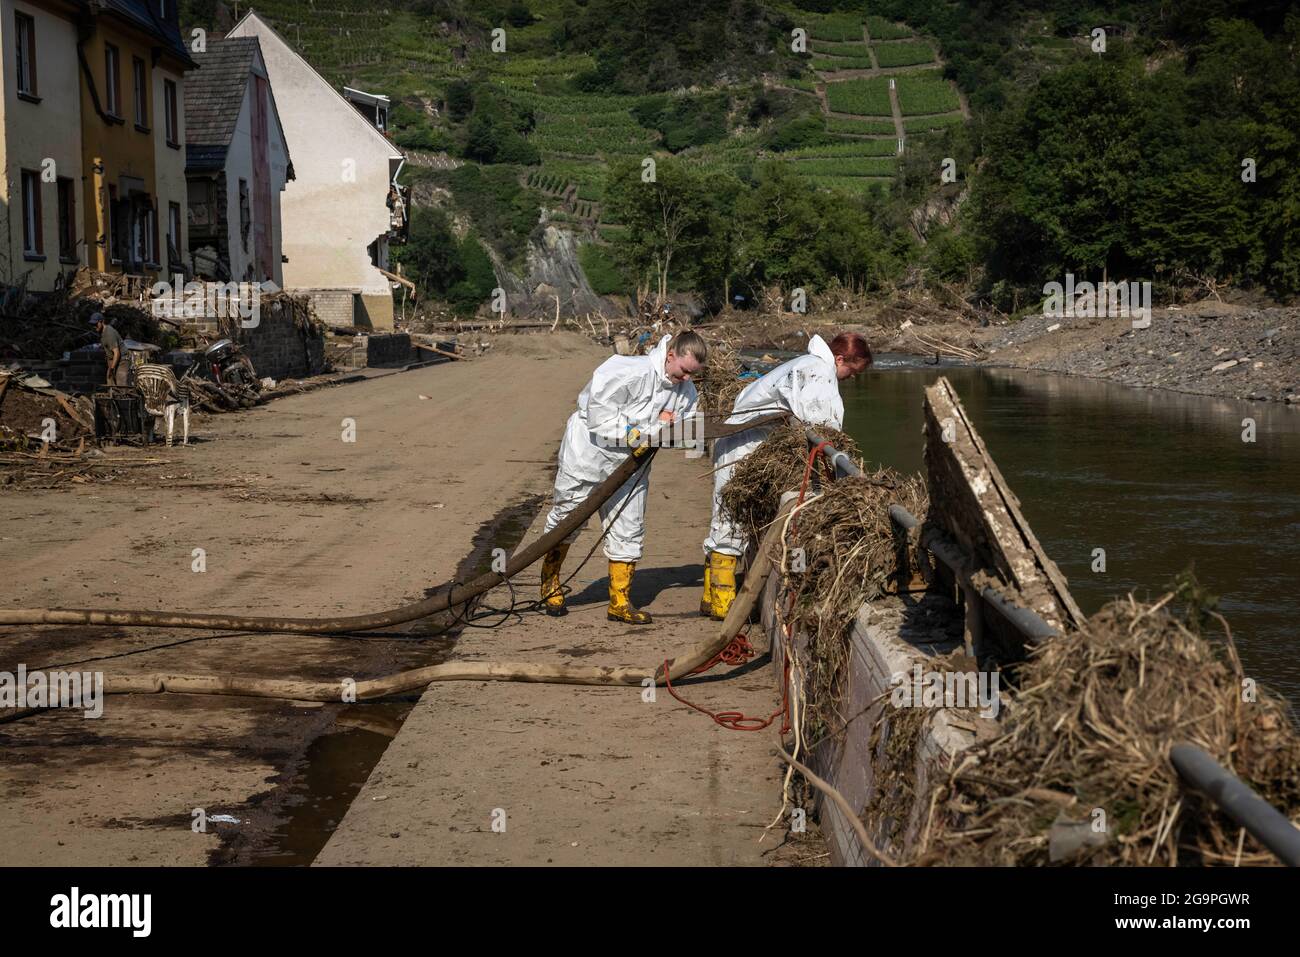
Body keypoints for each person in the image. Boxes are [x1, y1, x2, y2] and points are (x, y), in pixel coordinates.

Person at [701, 332, 872, 620]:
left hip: (742, 440)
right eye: (851, 371)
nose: (851, 378)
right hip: (742, 445)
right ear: (840, 359)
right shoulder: (817, 371)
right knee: (731, 521)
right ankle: (721, 604)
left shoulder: (805, 364)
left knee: (727, 518)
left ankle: (712, 597)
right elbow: (822, 426)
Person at [540, 330, 708, 624]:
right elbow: (598, 413)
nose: (685, 379)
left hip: (632, 465)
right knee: (569, 518)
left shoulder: (686, 391)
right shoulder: (625, 369)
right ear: (671, 356)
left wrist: (688, 440)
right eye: (683, 371)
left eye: (691, 375)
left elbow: (687, 429)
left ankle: (619, 601)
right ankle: (550, 583)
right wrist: (634, 435)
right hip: (589, 454)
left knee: (629, 526)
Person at [92, 312, 128, 386]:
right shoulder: (102, 332)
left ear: (102, 322)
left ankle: (121, 396)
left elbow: (117, 353)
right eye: (92, 325)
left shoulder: (109, 333)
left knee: (120, 384)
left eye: (96, 324)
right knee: (110, 382)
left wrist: (112, 368)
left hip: (122, 360)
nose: (94, 326)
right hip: (112, 360)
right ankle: (113, 396)